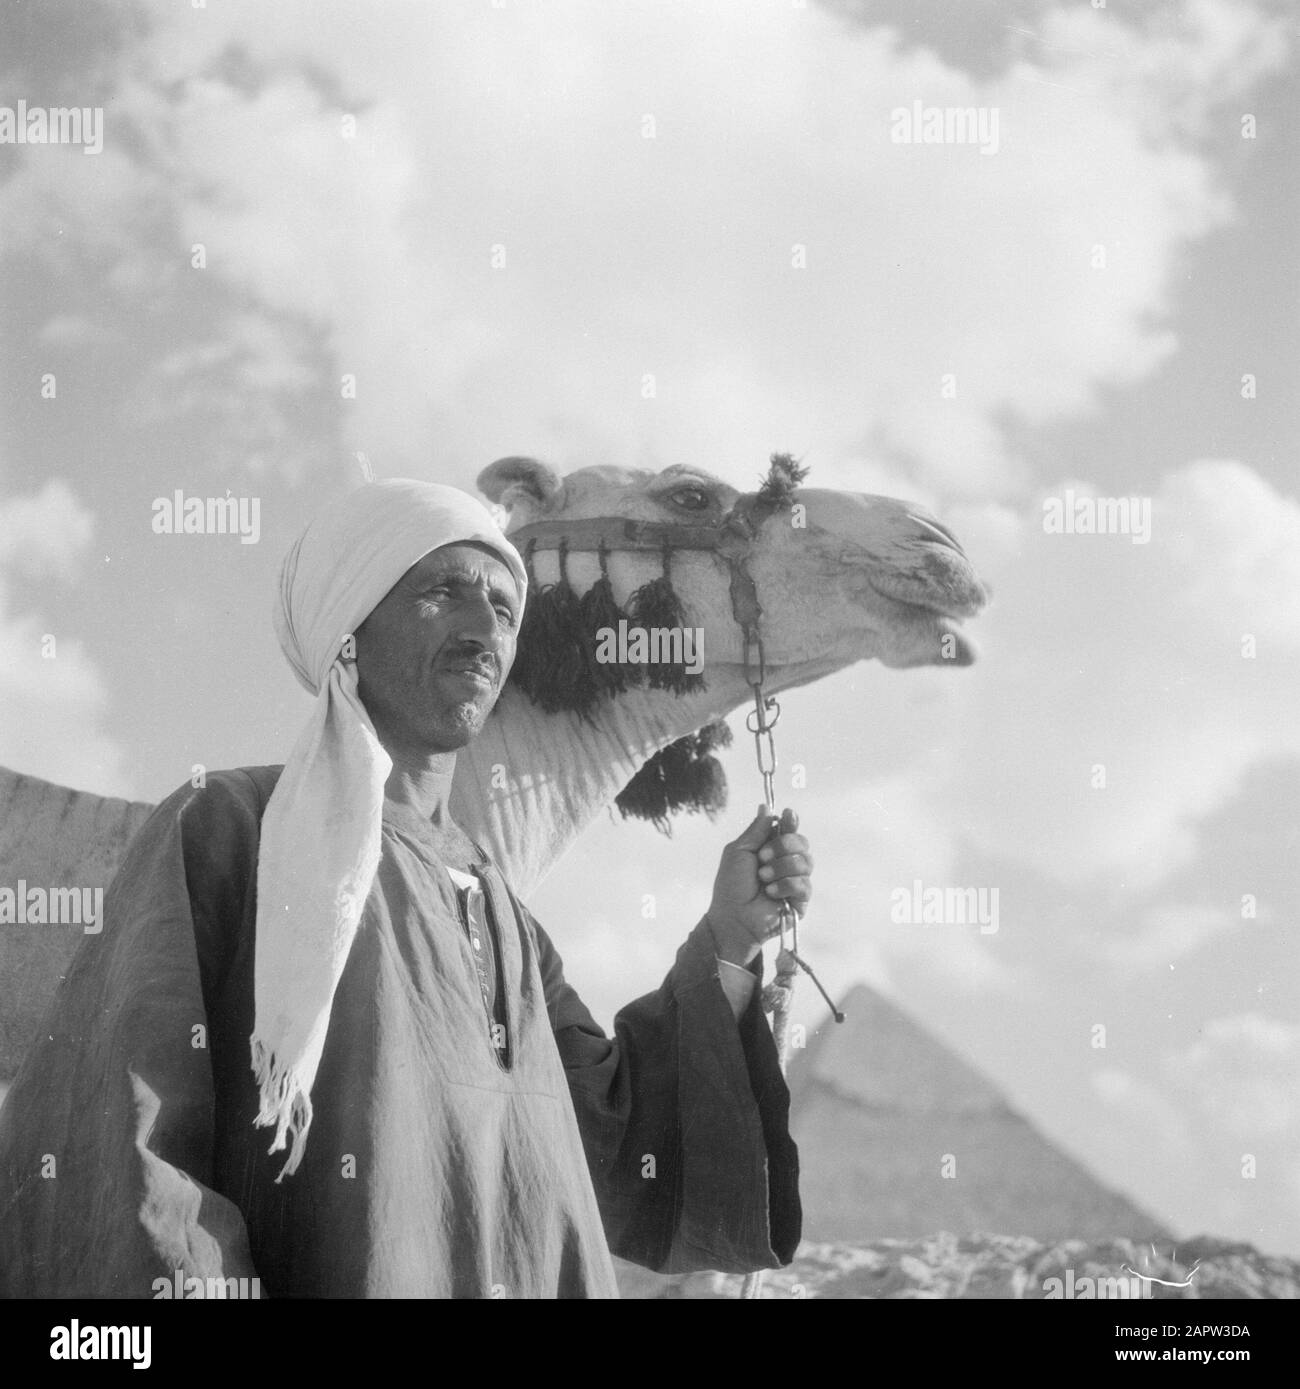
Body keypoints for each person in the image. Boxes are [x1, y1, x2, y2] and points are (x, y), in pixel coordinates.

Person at [0, 479, 808, 1298]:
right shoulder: (228, 831)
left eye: (501, 606)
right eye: (442, 591)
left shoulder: (503, 916)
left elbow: (619, 1142)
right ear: (349, 630)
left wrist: (731, 939)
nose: (483, 627)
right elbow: (130, 1148)